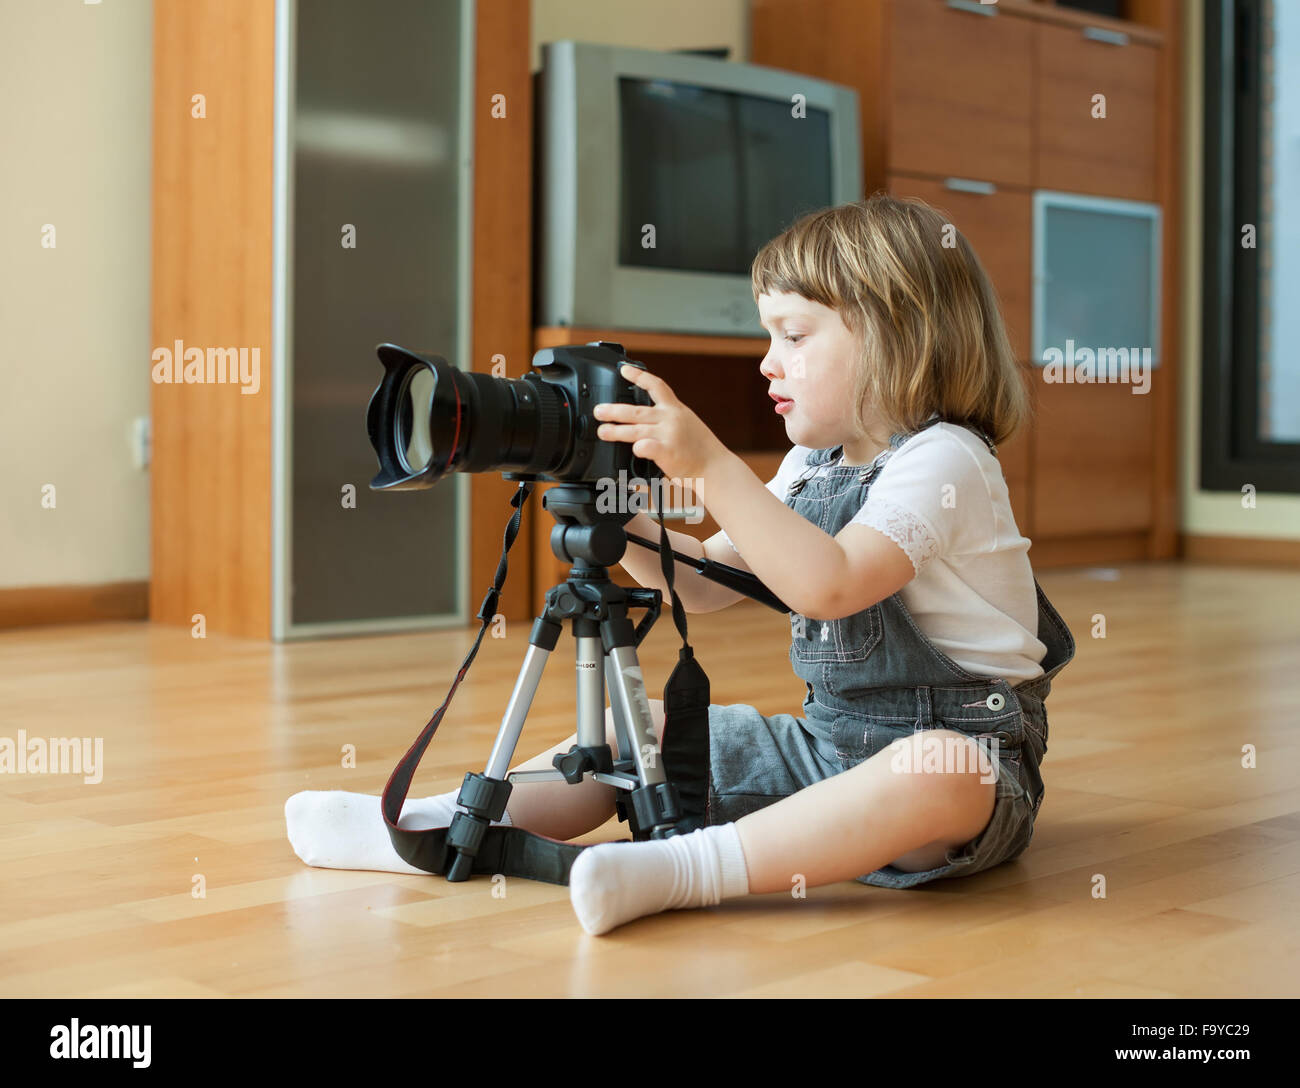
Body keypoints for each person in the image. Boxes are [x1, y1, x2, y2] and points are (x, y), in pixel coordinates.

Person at [285, 194, 1076, 937]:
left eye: (794, 337)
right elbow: (704, 580)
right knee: (656, 730)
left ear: (900, 331)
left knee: (934, 768)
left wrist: (712, 466)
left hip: (975, 764)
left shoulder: (946, 460)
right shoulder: (813, 461)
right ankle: (431, 827)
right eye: (768, 336)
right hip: (826, 750)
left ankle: (681, 870)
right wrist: (608, 511)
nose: (768, 363)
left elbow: (829, 585)